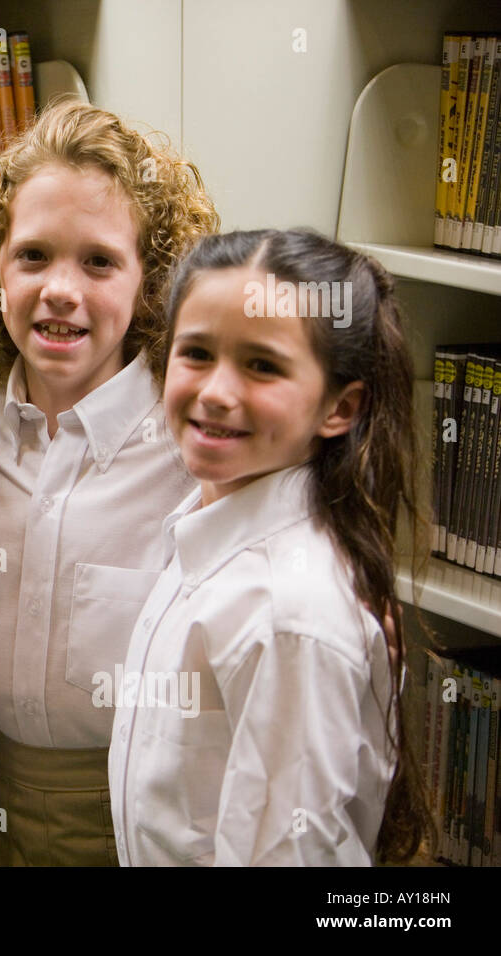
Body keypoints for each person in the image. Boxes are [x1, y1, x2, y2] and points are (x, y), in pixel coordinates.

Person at [0, 96, 219, 864]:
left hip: (136, 811)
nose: (61, 288)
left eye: (98, 262)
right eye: (33, 255)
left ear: (151, 283)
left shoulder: (190, 456)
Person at [108, 229, 430, 865]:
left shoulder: (288, 611)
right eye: (196, 353)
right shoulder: (205, 529)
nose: (217, 392)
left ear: (339, 407)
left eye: (263, 365)